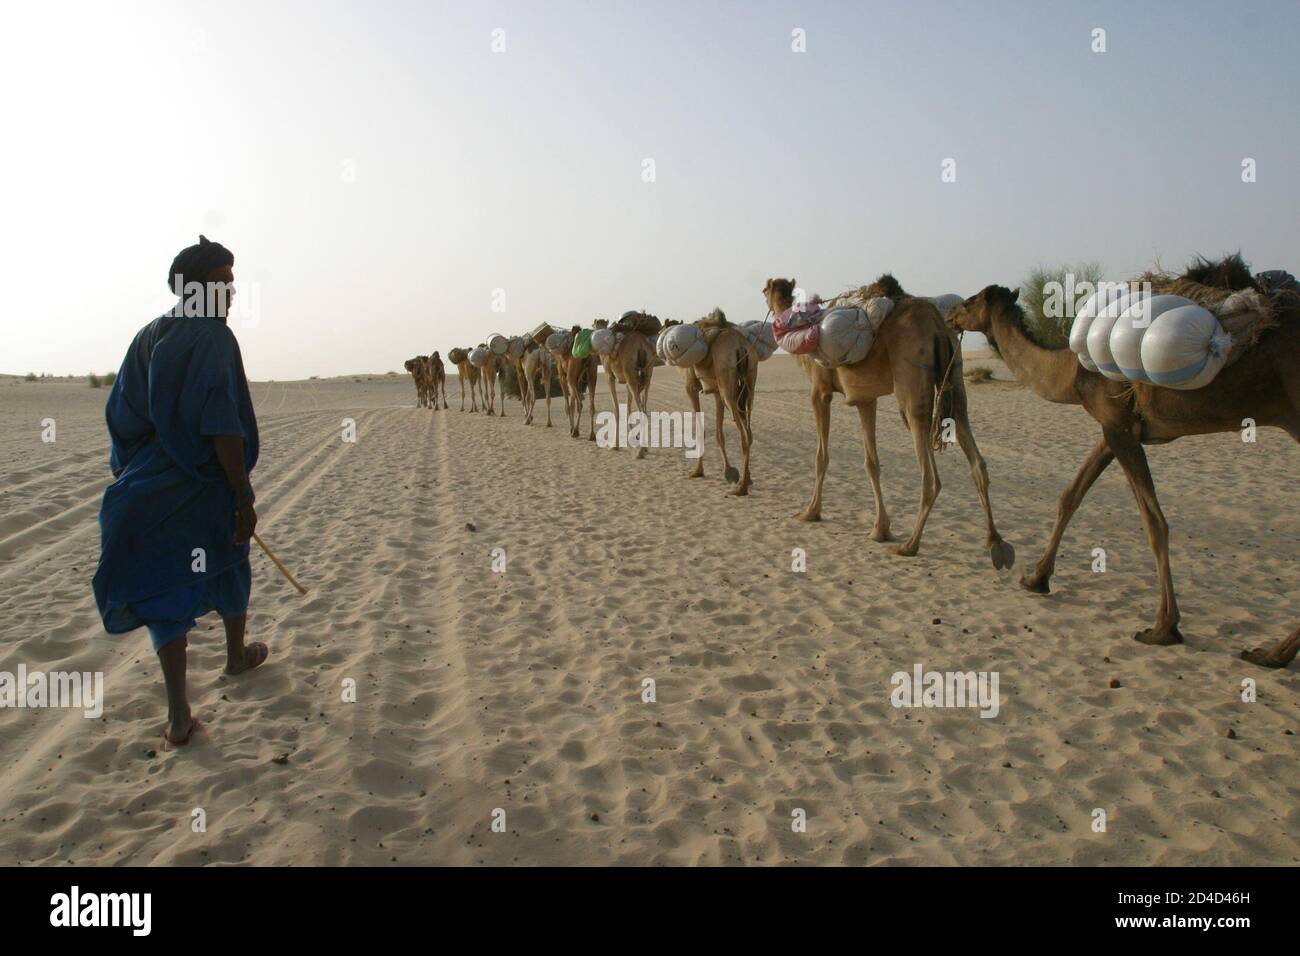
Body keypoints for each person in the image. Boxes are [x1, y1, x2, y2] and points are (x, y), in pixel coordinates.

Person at [93, 236, 265, 747]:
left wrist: (139, 470)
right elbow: (221, 423)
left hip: (144, 489)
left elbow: (121, 417)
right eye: (224, 283)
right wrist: (241, 492)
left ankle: (178, 716)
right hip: (202, 486)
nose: (233, 293)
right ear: (198, 287)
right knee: (232, 556)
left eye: (233, 284)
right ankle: (234, 658)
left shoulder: (150, 332)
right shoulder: (212, 338)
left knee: (168, 584)